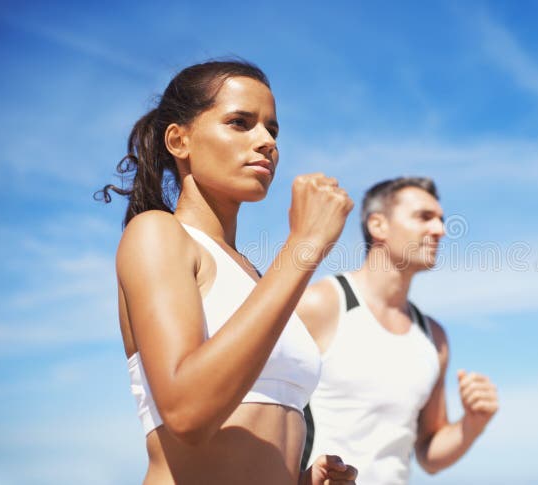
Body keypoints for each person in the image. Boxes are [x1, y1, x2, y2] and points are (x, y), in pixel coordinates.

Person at [97, 60, 358, 485]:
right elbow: (187, 413)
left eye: (272, 130)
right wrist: (304, 246)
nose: (266, 142)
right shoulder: (157, 234)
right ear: (179, 141)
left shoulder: (255, 277)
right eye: (240, 123)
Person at [296, 177, 499, 484]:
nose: (440, 230)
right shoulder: (320, 304)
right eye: (424, 217)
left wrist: (473, 423)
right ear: (378, 225)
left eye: (441, 220)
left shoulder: (434, 337)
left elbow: (429, 452)